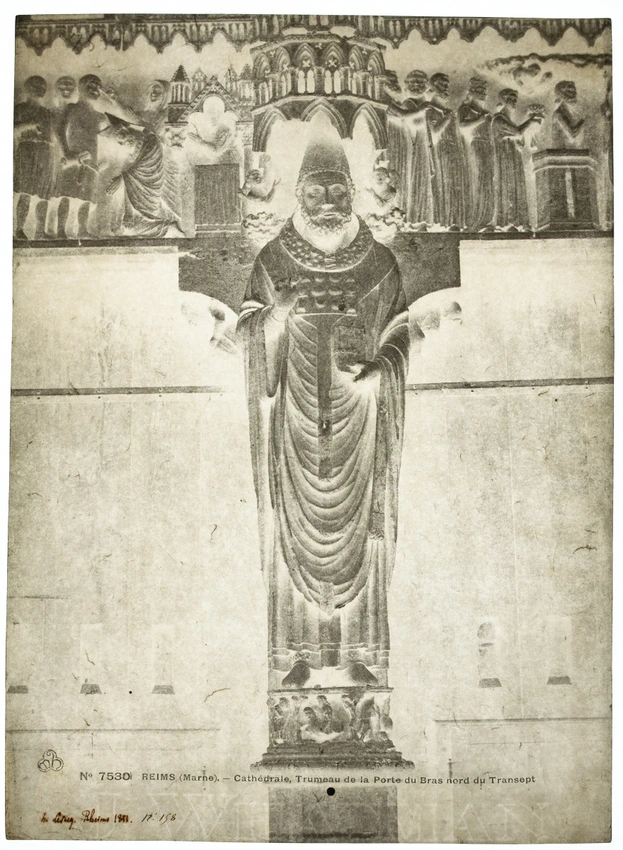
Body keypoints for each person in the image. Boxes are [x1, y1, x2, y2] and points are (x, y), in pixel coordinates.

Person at [238, 125, 409, 693]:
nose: (327, 203)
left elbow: (402, 332)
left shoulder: (379, 263)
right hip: (294, 423)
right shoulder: (273, 259)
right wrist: (276, 314)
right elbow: (249, 334)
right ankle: (298, 654)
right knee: (293, 528)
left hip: (359, 421)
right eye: (315, 192)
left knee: (363, 533)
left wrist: (383, 368)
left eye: (337, 191)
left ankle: (360, 652)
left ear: (354, 193)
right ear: (298, 196)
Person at [386, 70, 444, 229]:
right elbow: (409, 119)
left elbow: (431, 130)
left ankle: (421, 218)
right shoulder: (409, 103)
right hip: (413, 147)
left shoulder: (421, 105)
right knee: (415, 181)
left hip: (423, 147)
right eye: (412, 83)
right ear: (407, 85)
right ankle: (413, 219)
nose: (416, 86)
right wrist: (424, 109)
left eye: (420, 83)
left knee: (423, 183)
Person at [56, 74, 105, 238]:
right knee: (67, 195)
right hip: (74, 157)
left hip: (91, 160)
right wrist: (67, 153)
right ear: (81, 87)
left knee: (86, 197)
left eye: (98, 86)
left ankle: (82, 229)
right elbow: (59, 130)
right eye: (91, 85)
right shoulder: (71, 108)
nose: (95, 89)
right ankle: (60, 230)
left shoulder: (99, 115)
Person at [492, 88, 542, 230]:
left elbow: (520, 141)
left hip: (514, 159)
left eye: (515, 99)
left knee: (517, 187)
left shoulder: (510, 121)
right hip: (505, 159)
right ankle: (507, 222)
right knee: (508, 186)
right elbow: (518, 132)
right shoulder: (498, 119)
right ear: (503, 100)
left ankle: (519, 222)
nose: (514, 102)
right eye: (511, 99)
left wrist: (530, 132)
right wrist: (530, 121)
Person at [14, 76, 54, 239]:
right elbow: (12, 128)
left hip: (46, 151)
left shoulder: (47, 112)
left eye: (43, 85)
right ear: (27, 88)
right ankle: (19, 229)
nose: (40, 88)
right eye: (36, 85)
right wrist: (29, 124)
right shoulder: (20, 108)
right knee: (26, 191)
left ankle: (40, 230)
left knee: (44, 192)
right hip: (28, 149)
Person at [427, 72, 467, 229]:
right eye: (442, 84)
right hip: (441, 150)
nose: (446, 87)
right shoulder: (431, 110)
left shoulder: (446, 110)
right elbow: (434, 133)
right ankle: (445, 220)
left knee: (455, 185)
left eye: (447, 84)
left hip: (453, 150)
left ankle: (455, 220)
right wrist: (447, 118)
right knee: (445, 184)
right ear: (433, 86)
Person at [458, 77, 495, 231]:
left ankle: (487, 219)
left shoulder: (486, 113)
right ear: (471, 92)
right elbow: (462, 126)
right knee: (477, 180)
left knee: (488, 182)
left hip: (487, 147)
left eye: (484, 91)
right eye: (479, 90)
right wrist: (480, 120)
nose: (483, 94)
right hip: (475, 146)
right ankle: (475, 219)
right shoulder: (465, 109)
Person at [552, 81, 585, 149]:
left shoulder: (568, 112)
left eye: (574, 90)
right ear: (560, 94)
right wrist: (584, 122)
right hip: (561, 153)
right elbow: (572, 136)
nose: (574, 93)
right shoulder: (558, 114)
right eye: (569, 91)